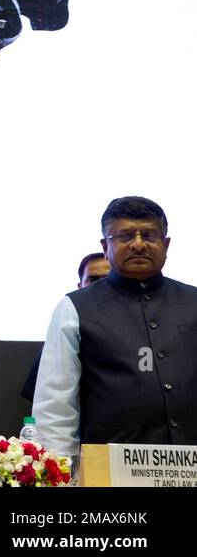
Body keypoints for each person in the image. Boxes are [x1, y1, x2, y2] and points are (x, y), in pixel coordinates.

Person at [34, 196, 197, 458]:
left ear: (166, 245)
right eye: (125, 236)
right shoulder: (74, 308)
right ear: (105, 245)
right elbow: (56, 408)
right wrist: (61, 474)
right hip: (109, 472)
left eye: (149, 235)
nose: (138, 244)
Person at [20, 252, 111, 402]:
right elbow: (47, 398)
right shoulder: (67, 328)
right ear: (80, 286)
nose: (101, 286)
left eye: (107, 279)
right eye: (93, 279)